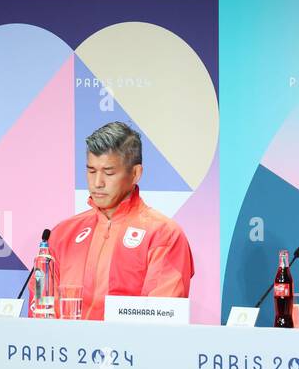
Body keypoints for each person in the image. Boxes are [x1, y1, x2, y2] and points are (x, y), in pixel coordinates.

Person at [47, 121, 194, 320]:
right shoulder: (62, 234)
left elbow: (161, 321)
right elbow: (41, 312)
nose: (97, 183)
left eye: (109, 173)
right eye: (91, 171)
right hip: (67, 349)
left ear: (135, 174)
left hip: (130, 350)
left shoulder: (164, 235)